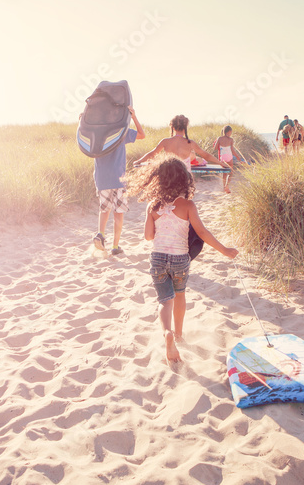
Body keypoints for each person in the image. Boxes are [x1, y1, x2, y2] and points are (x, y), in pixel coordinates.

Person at [125, 156, 238, 363]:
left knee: (164, 301)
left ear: (158, 180)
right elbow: (202, 232)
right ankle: (178, 334)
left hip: (158, 259)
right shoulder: (188, 206)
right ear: (184, 180)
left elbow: (149, 236)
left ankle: (166, 332)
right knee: (180, 296)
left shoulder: (153, 205)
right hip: (180, 259)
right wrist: (224, 250)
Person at [93, 105, 145, 256]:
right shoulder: (122, 133)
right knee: (118, 212)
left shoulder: (97, 134)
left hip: (102, 177)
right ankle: (115, 246)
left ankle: (100, 234)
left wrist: (83, 122)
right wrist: (133, 116)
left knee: (104, 210)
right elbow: (142, 135)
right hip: (118, 177)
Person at [133, 115, 224, 172]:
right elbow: (206, 155)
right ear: (185, 128)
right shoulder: (190, 143)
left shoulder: (165, 141)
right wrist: (220, 163)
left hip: (170, 175)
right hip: (184, 177)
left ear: (172, 128)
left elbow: (152, 154)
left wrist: (139, 161)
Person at [212, 125, 246, 194]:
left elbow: (215, 148)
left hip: (222, 157)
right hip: (229, 157)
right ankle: (227, 185)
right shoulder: (231, 140)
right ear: (229, 131)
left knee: (224, 173)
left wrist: (220, 145)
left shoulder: (219, 138)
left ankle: (224, 187)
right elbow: (232, 150)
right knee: (230, 172)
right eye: (231, 132)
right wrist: (238, 157)